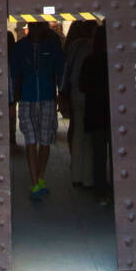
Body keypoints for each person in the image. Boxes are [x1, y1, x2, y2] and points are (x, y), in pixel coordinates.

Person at [9, 20, 65, 201]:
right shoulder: (20, 48)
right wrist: (13, 97)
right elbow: (13, 73)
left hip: (47, 98)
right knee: (31, 140)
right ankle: (35, 182)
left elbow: (61, 71)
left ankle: (40, 178)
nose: (34, 28)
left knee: (45, 141)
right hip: (27, 99)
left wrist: (61, 94)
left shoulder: (52, 46)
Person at [79, 23, 111, 203]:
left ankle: (100, 191)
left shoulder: (89, 61)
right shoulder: (114, 61)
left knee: (99, 155)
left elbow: (82, 86)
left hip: (95, 112)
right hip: (113, 113)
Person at [61, 20, 95, 185]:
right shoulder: (93, 45)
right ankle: (88, 177)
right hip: (92, 95)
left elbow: (66, 70)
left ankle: (76, 173)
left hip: (75, 93)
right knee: (89, 137)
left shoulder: (73, 46)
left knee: (77, 132)